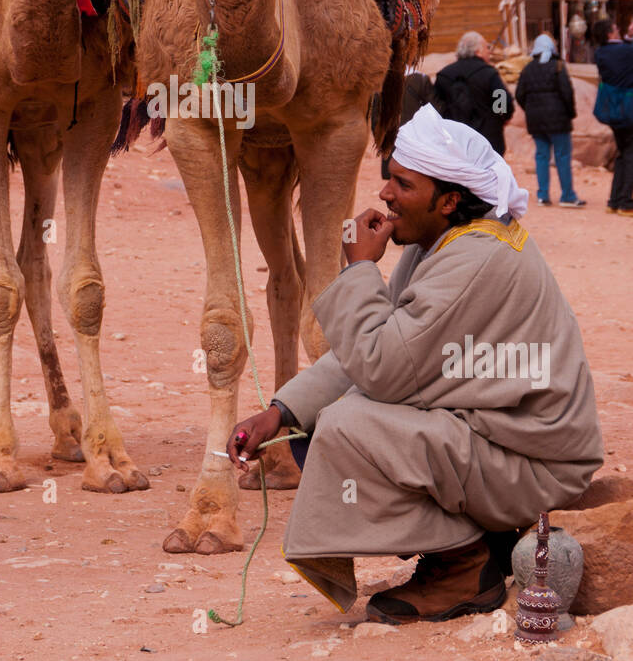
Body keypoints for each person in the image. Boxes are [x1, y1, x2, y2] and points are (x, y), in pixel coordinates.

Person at [227, 104, 602, 624]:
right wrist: (282, 411)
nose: (384, 194)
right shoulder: (444, 243)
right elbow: (370, 353)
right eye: (388, 180)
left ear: (448, 200)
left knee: (346, 423)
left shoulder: (473, 260)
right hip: (502, 444)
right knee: (316, 420)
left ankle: (464, 566)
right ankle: (470, 544)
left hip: (535, 466)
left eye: (403, 185)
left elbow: (379, 366)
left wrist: (359, 269)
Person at [515, 33, 585, 207]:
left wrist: (530, 110)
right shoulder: (559, 66)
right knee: (562, 156)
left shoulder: (527, 69)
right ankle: (567, 196)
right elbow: (567, 93)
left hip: (536, 122)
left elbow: (519, 94)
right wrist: (570, 113)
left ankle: (543, 195)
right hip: (559, 120)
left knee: (541, 156)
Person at [432, 31, 513, 154]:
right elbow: (502, 103)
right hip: (488, 142)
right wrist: (503, 117)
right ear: (478, 51)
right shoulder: (489, 74)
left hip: (455, 142)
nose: (489, 51)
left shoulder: (444, 75)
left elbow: (437, 107)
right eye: (487, 47)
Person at [593, 18, 633, 217]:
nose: (619, 30)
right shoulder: (626, 51)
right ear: (610, 33)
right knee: (629, 155)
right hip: (629, 110)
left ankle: (614, 200)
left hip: (613, 111)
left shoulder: (600, 53)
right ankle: (625, 202)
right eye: (616, 28)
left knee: (622, 154)